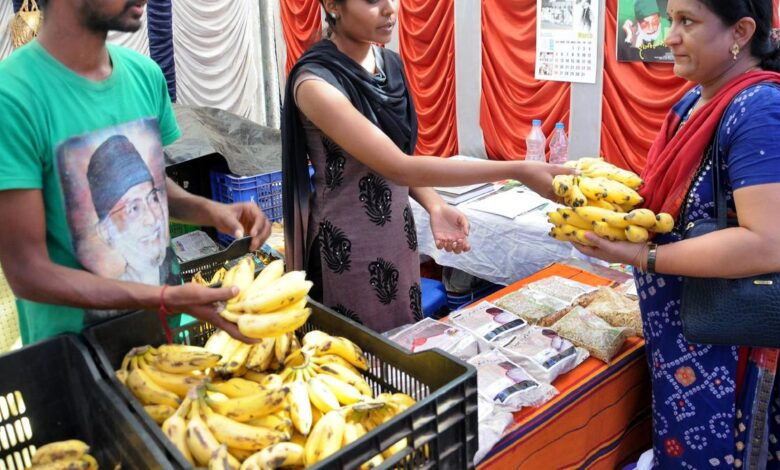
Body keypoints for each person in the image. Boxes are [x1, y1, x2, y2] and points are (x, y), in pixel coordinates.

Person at [283, 0, 573, 333]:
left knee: (405, 343)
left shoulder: (389, 65)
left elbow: (398, 159)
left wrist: (435, 205)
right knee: (358, 356)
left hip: (397, 233)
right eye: (372, 1)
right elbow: (400, 166)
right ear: (333, 6)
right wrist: (518, 169)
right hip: (348, 247)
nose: (390, 10)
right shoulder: (315, 84)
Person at [573, 0, 780, 467]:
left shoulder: (758, 107)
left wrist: (644, 257)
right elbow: (670, 208)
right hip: (682, 332)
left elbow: (769, 242)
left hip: (730, 342)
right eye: (670, 19)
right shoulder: (693, 101)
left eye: (686, 21)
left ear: (741, 31)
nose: (668, 36)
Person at [0, 0, 271, 344]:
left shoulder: (145, 75)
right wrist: (161, 298)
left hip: (164, 338)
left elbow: (154, 184)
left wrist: (212, 210)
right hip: (73, 360)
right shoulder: (12, 97)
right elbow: (27, 273)